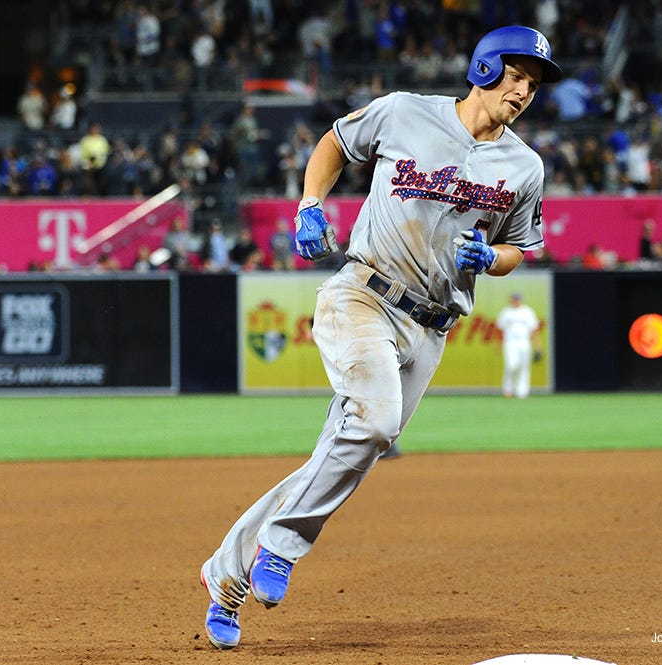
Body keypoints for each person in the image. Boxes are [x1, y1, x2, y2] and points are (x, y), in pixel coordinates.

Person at [199, 25, 562, 650]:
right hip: (364, 295)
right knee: (374, 425)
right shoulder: (404, 113)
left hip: (433, 328)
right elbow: (334, 144)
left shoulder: (523, 167)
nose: (524, 90)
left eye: (533, 83)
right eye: (517, 74)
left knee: (339, 453)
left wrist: (491, 257)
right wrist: (311, 204)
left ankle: (225, 575)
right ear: (484, 66)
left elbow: (520, 248)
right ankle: (281, 549)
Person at [495, 292, 542, 399]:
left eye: (517, 299)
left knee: (524, 366)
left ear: (521, 300)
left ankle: (522, 391)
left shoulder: (528, 312)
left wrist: (538, 347)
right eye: (514, 299)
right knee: (511, 365)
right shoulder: (506, 312)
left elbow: (534, 330)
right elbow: (499, 330)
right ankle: (508, 389)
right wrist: (498, 344)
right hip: (510, 342)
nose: (516, 301)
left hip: (524, 342)